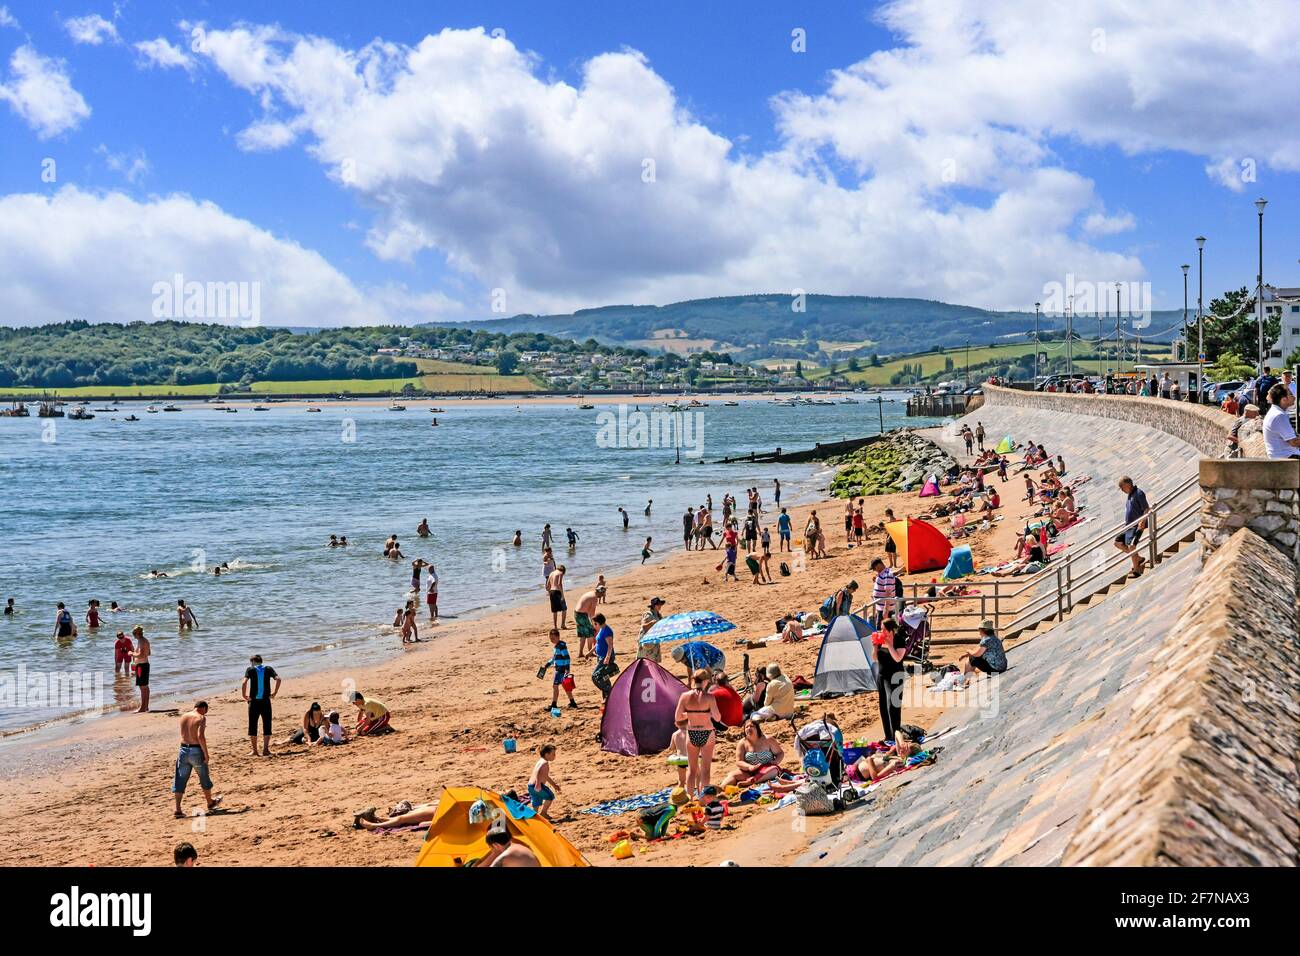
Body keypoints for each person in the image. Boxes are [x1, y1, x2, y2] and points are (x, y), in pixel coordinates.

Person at [674, 669, 722, 795]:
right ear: (705, 681)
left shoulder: (685, 696)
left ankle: (690, 797)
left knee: (692, 770)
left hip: (692, 732)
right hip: (707, 732)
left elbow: (678, 718)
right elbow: (718, 718)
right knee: (706, 770)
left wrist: (690, 713)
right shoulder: (709, 697)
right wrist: (706, 713)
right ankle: (703, 798)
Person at [172, 701, 221, 818]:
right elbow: (200, 736)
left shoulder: (184, 716)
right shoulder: (201, 718)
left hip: (183, 749)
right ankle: (210, 802)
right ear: (204, 708)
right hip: (195, 750)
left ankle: (178, 809)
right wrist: (206, 753)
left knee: (180, 779)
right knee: (204, 777)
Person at [721, 719, 785, 788]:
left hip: (767, 770)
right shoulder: (742, 743)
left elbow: (780, 753)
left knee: (774, 770)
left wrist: (775, 762)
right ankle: (720, 789)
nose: (749, 728)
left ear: (757, 729)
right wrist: (749, 767)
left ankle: (751, 781)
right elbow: (739, 761)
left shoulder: (768, 739)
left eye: (752, 726)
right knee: (733, 775)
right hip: (750, 772)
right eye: (746, 727)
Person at [872, 619, 908, 741]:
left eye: (884, 629)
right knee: (883, 706)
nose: (881, 631)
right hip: (882, 676)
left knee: (893, 706)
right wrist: (875, 647)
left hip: (895, 677)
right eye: (881, 629)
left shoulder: (899, 640)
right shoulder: (880, 640)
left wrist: (888, 644)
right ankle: (888, 736)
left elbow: (897, 658)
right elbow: (874, 658)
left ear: (891, 630)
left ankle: (896, 736)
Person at [241, 654, 281, 757]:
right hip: (265, 701)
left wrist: (244, 696)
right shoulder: (268, 669)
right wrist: (275, 693)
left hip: (254, 702)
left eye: (251, 662)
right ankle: (265, 749)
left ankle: (255, 751)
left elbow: (244, 682)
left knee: (253, 725)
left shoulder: (250, 669)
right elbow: (278, 679)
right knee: (267, 724)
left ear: (253, 662)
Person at [954, 619, 1008, 686]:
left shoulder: (986, 641)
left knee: (972, 659)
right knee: (973, 658)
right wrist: (965, 655)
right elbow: (978, 650)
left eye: (979, 630)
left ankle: (964, 680)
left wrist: (968, 651)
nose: (979, 632)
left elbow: (977, 654)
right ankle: (967, 679)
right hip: (1003, 667)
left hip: (996, 670)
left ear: (983, 630)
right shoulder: (994, 638)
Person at [1114, 476, 1150, 575]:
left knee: (1131, 545)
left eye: (1122, 487)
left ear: (1128, 484)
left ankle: (1136, 569)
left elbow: (1146, 508)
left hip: (1137, 526)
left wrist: (1142, 521)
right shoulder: (1130, 495)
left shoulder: (1138, 493)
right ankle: (1137, 558)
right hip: (1129, 526)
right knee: (1117, 543)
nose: (1122, 490)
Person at [540, 628, 578, 710]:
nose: (551, 640)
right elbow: (554, 658)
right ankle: (572, 702)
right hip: (559, 669)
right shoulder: (557, 646)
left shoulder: (561, 646)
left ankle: (554, 704)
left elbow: (567, 658)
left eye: (553, 638)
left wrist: (567, 669)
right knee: (565, 686)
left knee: (555, 686)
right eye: (550, 638)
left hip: (561, 670)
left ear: (558, 637)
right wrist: (547, 665)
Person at [1263, 383, 1300, 459]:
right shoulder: (1279, 416)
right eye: (1291, 394)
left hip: (1284, 457)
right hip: (1287, 458)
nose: (1294, 397)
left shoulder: (1276, 412)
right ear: (1283, 399)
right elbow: (1294, 442)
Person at [528, 744, 561, 820]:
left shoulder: (540, 761)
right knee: (550, 796)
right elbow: (538, 772)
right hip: (538, 785)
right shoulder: (544, 763)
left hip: (530, 786)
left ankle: (534, 816)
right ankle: (543, 813)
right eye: (553, 754)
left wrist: (554, 785)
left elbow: (546, 776)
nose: (555, 756)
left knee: (536, 800)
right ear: (547, 754)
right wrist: (538, 783)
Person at [591, 613, 618, 700]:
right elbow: (598, 643)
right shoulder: (602, 629)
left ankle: (610, 692)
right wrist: (590, 652)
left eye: (595, 624)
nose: (594, 626)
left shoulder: (607, 631)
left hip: (605, 658)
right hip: (600, 657)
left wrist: (607, 657)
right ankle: (607, 698)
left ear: (598, 623)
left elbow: (610, 645)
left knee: (595, 676)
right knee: (603, 677)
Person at [638, 597, 666, 661]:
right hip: (647, 641)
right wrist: (652, 623)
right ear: (654, 606)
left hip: (654, 640)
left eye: (660, 604)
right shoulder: (648, 614)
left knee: (653, 660)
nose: (660, 606)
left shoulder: (658, 615)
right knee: (646, 660)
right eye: (658, 605)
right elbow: (643, 626)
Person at [132, 625, 151, 712]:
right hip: (144, 664)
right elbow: (149, 653)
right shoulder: (145, 640)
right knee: (145, 687)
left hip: (141, 666)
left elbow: (141, 655)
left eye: (134, 633)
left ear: (136, 633)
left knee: (143, 687)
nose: (133, 635)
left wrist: (131, 653)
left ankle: (143, 707)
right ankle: (145, 706)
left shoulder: (141, 641)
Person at [870, 559, 896, 623]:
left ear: (879, 565)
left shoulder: (887, 575)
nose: (874, 570)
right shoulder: (883, 573)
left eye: (874, 568)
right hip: (881, 607)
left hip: (884, 608)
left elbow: (888, 593)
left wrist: (886, 610)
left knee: (882, 627)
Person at [546, 563, 567, 630]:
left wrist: (549, 593)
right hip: (558, 592)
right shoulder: (560, 573)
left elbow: (547, 586)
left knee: (554, 610)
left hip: (552, 592)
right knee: (564, 608)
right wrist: (562, 595)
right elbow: (559, 584)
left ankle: (555, 626)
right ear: (563, 570)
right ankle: (563, 624)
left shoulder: (551, 573)